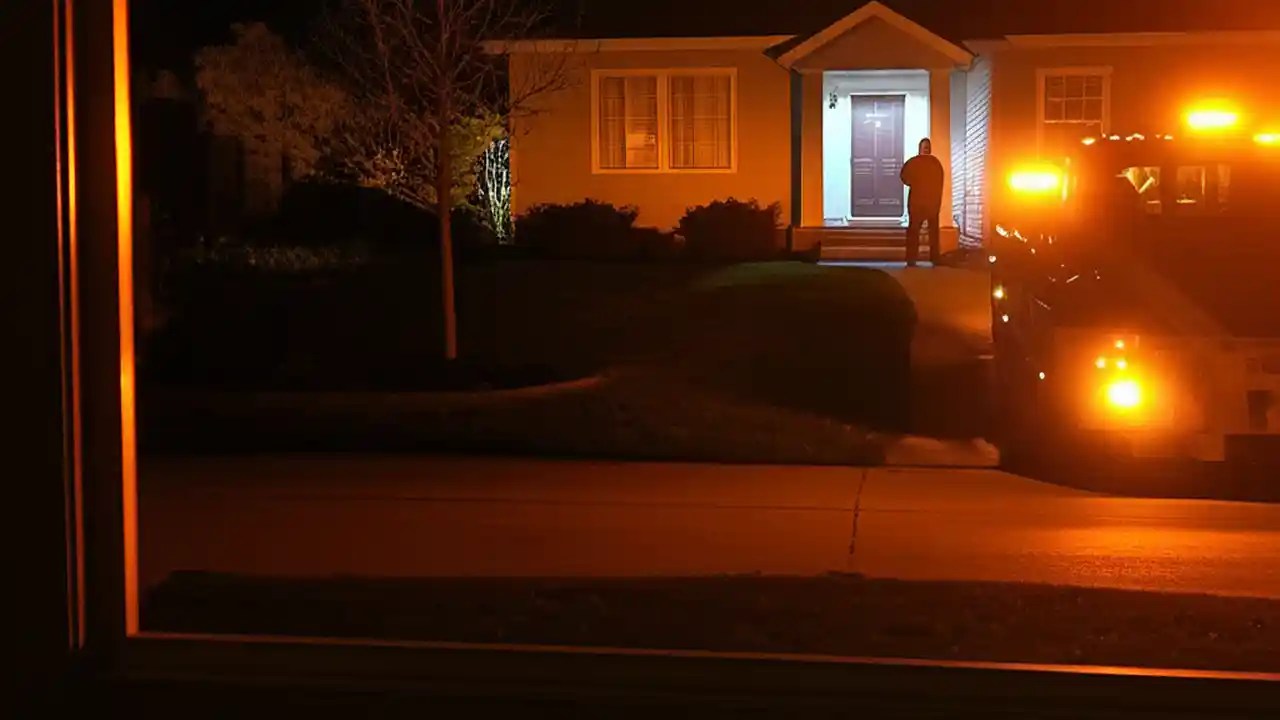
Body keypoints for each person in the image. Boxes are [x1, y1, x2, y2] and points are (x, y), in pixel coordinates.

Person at [900, 138, 945, 266]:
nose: (926, 149)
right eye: (924, 146)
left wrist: (937, 202)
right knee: (914, 232)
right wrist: (913, 182)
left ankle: (934, 258)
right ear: (920, 148)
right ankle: (911, 259)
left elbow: (939, 184)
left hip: (930, 203)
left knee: (933, 233)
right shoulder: (915, 162)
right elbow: (904, 176)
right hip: (917, 204)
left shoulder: (934, 163)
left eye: (928, 147)